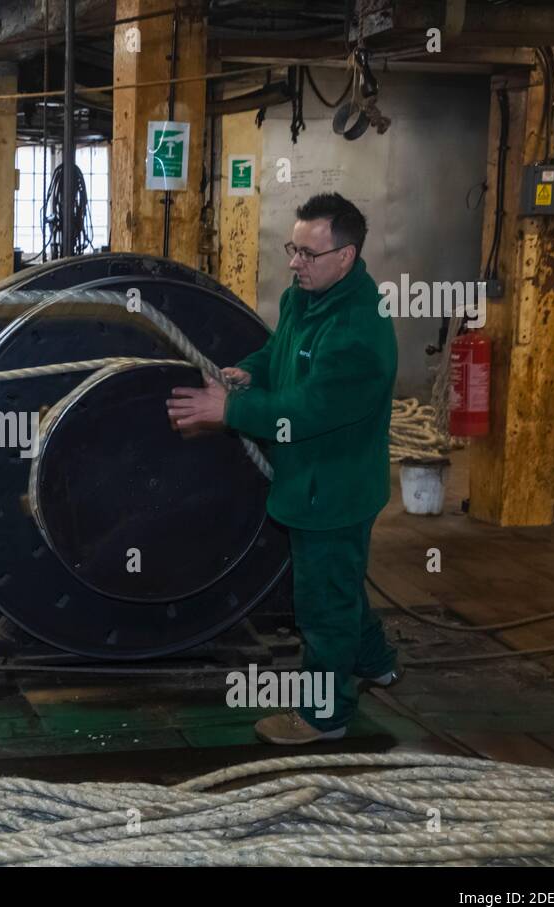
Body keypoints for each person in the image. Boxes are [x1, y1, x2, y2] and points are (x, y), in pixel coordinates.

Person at [165, 192, 399, 744]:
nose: (295, 263)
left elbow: (310, 408)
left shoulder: (361, 331)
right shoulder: (304, 298)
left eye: (309, 254)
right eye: (293, 249)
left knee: (322, 605)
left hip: (335, 490)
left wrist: (229, 411)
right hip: (307, 480)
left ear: (346, 257)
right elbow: (278, 356)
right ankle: (377, 663)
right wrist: (244, 375)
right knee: (339, 585)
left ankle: (325, 717)